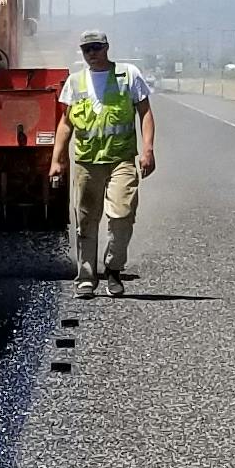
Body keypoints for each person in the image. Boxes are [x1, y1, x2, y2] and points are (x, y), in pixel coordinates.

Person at [57, 28, 157, 289]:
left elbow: (145, 112)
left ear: (107, 47)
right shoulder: (75, 82)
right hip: (87, 161)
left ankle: (113, 268)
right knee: (86, 220)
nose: (92, 53)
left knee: (122, 214)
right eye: (86, 49)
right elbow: (66, 123)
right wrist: (58, 159)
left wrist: (148, 149)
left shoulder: (128, 75)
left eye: (96, 48)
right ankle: (87, 277)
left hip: (121, 158)